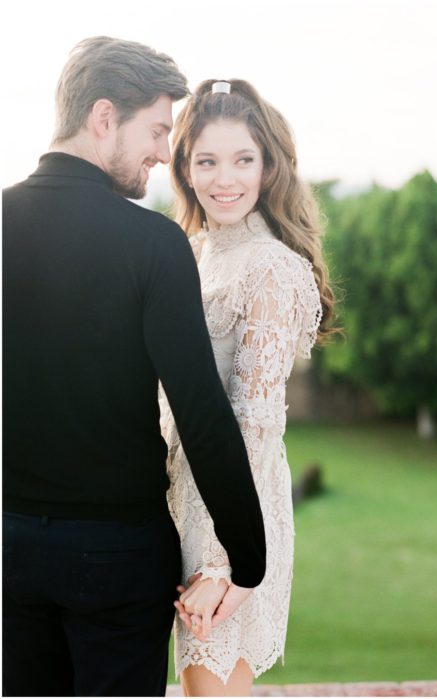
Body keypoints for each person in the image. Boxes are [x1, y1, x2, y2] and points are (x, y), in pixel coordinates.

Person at [2, 37, 267, 697]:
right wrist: (248, 560)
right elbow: (202, 413)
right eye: (154, 130)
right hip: (117, 560)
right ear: (102, 118)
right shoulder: (152, 242)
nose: (160, 151)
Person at [164, 78, 335, 696]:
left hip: (233, 520)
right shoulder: (188, 251)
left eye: (243, 159)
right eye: (207, 160)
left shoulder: (272, 268)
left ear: (268, 166)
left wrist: (224, 561)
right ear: (185, 167)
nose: (224, 179)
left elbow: (254, 426)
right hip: (172, 502)